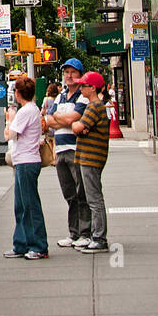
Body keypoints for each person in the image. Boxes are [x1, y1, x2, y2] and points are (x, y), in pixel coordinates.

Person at [42, 58, 91, 250]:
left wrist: (60, 119)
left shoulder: (83, 96)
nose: (69, 76)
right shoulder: (61, 95)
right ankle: (74, 233)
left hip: (76, 149)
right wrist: (65, 120)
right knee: (69, 194)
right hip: (60, 150)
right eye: (66, 72)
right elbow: (49, 120)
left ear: (80, 75)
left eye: (73, 72)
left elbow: (75, 117)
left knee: (82, 193)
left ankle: (85, 233)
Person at [3, 76, 48, 260]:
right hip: (25, 160)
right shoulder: (33, 109)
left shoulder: (24, 112)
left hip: (26, 162)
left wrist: (9, 120)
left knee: (29, 206)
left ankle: (38, 245)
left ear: (18, 93)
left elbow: (9, 135)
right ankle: (22, 243)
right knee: (21, 205)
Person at [71, 71, 111, 253]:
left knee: (94, 198)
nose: (81, 88)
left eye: (84, 85)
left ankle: (99, 237)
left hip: (91, 157)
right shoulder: (94, 106)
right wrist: (79, 127)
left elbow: (78, 126)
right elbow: (79, 127)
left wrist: (78, 127)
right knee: (91, 197)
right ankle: (96, 235)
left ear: (92, 88)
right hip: (89, 156)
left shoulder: (94, 106)